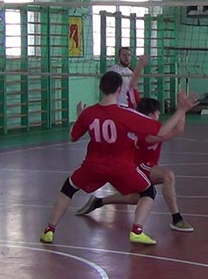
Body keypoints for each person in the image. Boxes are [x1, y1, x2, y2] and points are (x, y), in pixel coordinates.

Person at [39, 71, 197, 245]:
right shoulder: (127, 114)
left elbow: (72, 137)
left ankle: (49, 230)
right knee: (148, 192)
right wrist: (182, 109)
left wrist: (80, 118)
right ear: (120, 89)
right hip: (122, 168)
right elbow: (162, 131)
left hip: (93, 167)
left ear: (100, 88)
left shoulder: (89, 113)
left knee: (68, 188)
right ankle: (137, 230)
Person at [75, 96, 195, 233]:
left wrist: (183, 109)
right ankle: (176, 218)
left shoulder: (147, 127)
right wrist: (181, 110)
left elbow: (177, 130)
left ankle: (99, 201)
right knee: (167, 175)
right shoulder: (144, 133)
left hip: (142, 167)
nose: (159, 115)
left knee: (137, 198)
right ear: (150, 115)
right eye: (157, 112)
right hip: (134, 167)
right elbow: (172, 131)